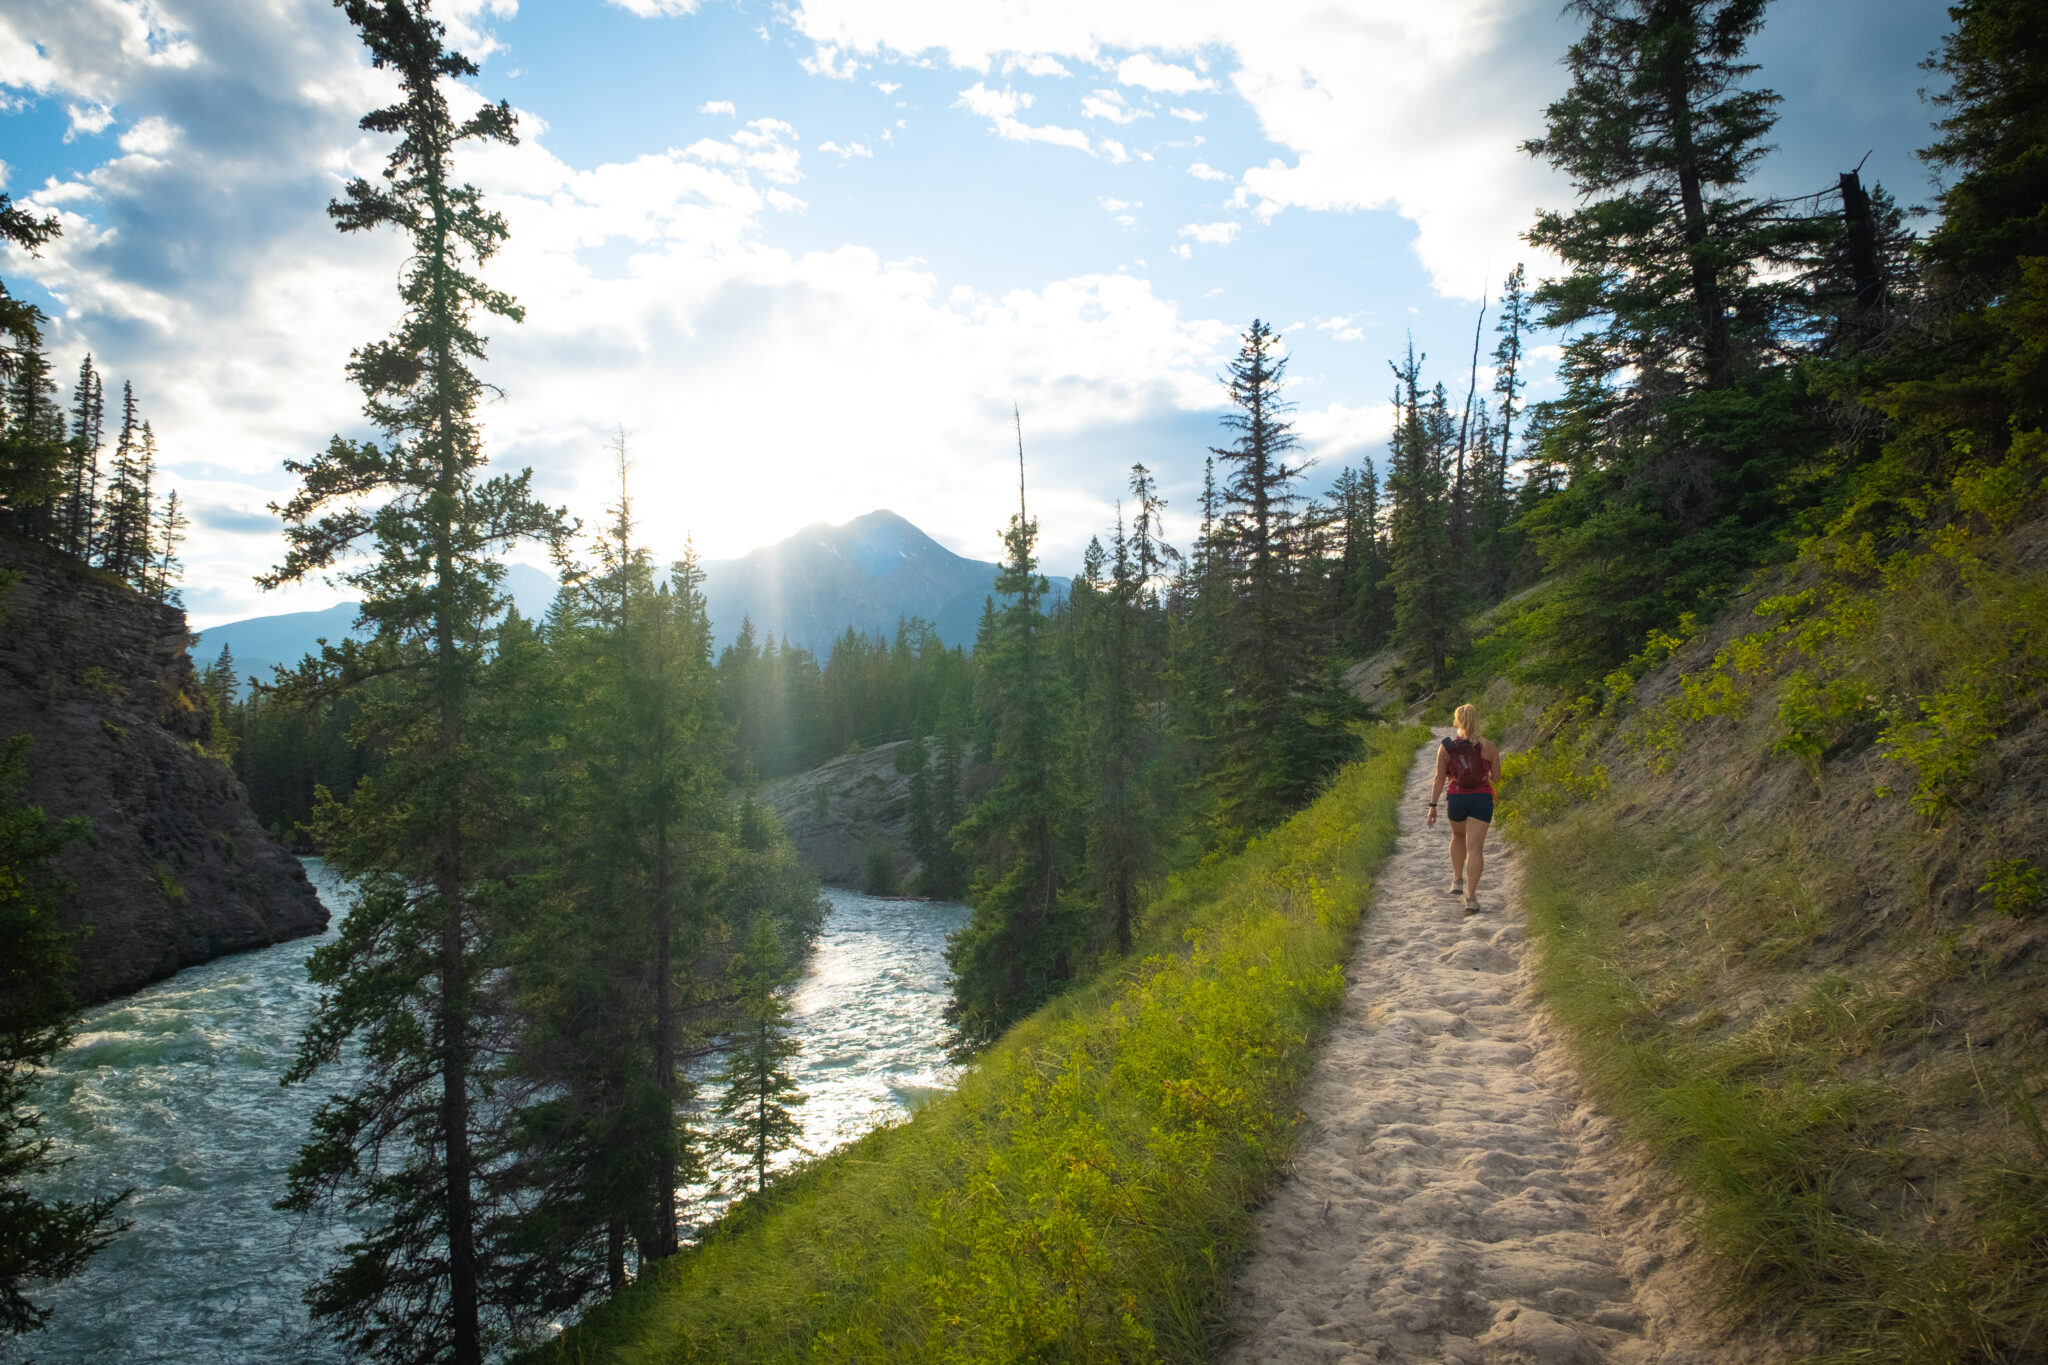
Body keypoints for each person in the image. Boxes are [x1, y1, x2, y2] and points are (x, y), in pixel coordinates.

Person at [1426, 703, 1498, 914]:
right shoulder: (1489, 746)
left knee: (1458, 836)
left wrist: (1433, 806)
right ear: (1478, 720)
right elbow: (1497, 777)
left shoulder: (1447, 747)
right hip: (1482, 797)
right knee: (1475, 848)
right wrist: (1484, 774)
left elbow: (1439, 778)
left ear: (1457, 721)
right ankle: (1471, 898)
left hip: (1457, 797)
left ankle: (1457, 880)